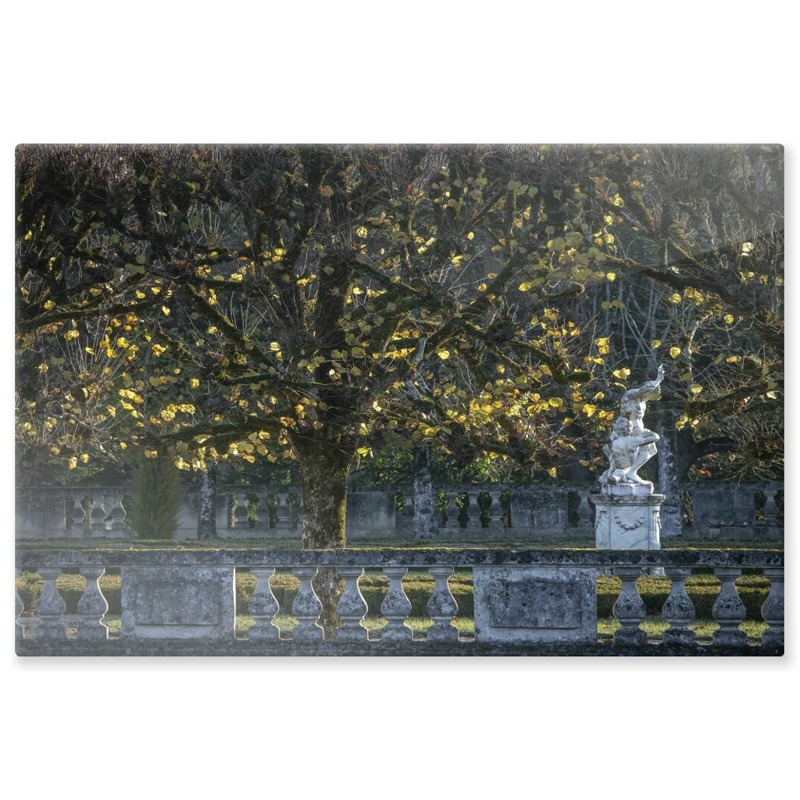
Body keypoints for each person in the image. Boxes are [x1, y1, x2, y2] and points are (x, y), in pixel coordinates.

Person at [602, 365, 664, 485]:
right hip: (627, 424)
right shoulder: (630, 394)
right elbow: (644, 389)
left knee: (651, 449)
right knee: (636, 449)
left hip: (637, 424)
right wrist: (659, 379)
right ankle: (626, 472)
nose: (653, 394)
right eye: (653, 392)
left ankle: (630, 472)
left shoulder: (643, 400)